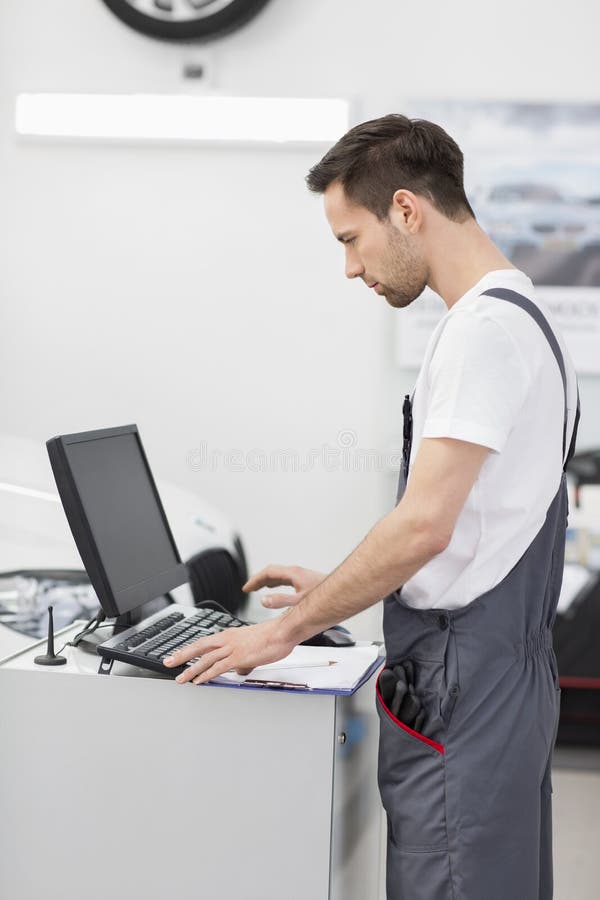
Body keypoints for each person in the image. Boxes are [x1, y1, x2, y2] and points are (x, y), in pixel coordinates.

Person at [165, 115, 579, 900]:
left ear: (406, 210)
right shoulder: (522, 318)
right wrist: (333, 589)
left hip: (467, 685)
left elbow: (425, 525)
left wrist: (284, 630)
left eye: (350, 239)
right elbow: (483, 533)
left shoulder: (482, 332)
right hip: (502, 673)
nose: (351, 269)